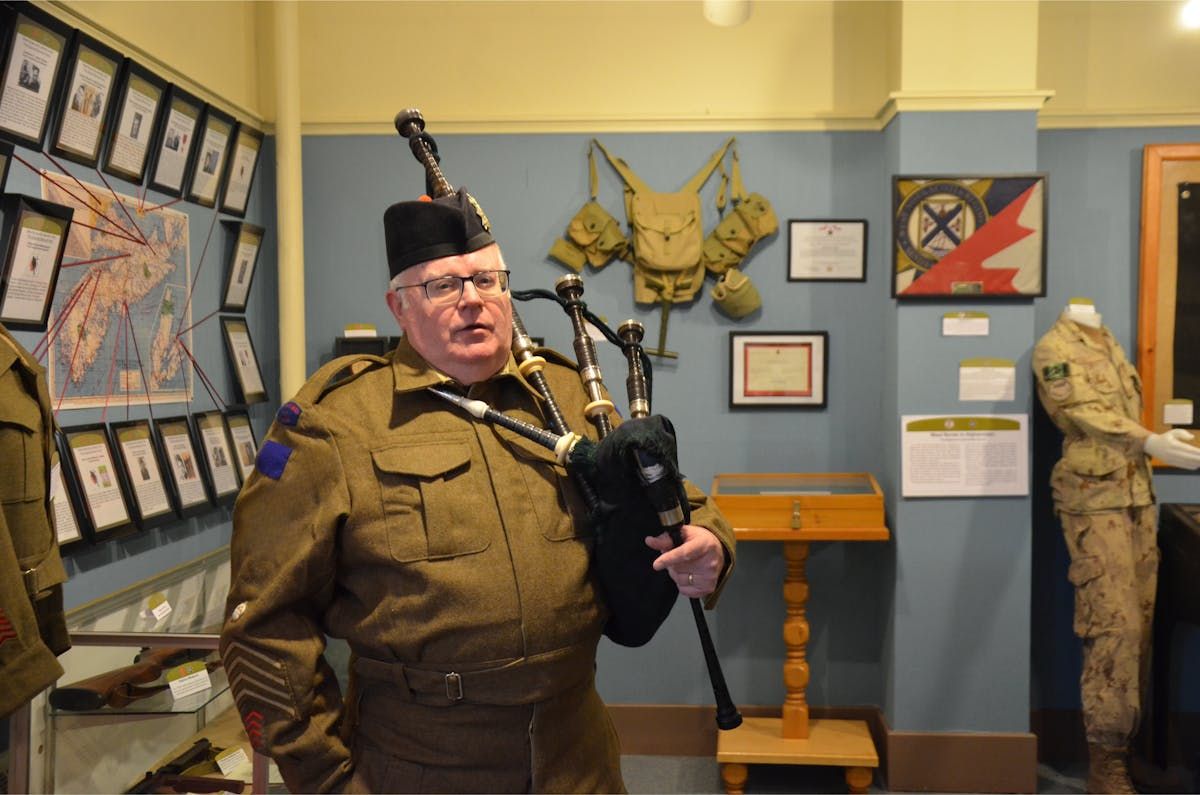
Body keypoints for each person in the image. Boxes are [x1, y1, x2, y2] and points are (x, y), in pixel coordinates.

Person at [219, 187, 736, 794]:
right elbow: (264, 625)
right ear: (399, 307)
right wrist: (327, 777)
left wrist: (711, 542)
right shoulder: (338, 424)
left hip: (578, 755)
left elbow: (672, 497)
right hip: (420, 762)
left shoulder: (565, 398)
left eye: (489, 281)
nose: (473, 302)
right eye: (443, 286)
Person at [1033, 299, 1200, 794]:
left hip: (1135, 498)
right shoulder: (1056, 349)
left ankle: (1126, 755)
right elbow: (1080, 412)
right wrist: (1150, 441)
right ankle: (1105, 767)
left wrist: (1152, 443)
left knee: (1141, 629)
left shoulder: (1110, 345)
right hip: (1094, 503)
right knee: (1114, 630)